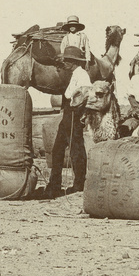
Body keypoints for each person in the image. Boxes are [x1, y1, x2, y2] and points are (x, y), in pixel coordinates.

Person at [46, 46, 91, 198]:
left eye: (66, 60)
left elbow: (86, 93)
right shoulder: (75, 74)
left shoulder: (82, 75)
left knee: (76, 149)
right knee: (57, 150)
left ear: (72, 62)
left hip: (73, 114)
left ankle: (79, 184)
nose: (64, 63)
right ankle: (54, 184)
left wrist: (77, 112)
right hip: (68, 114)